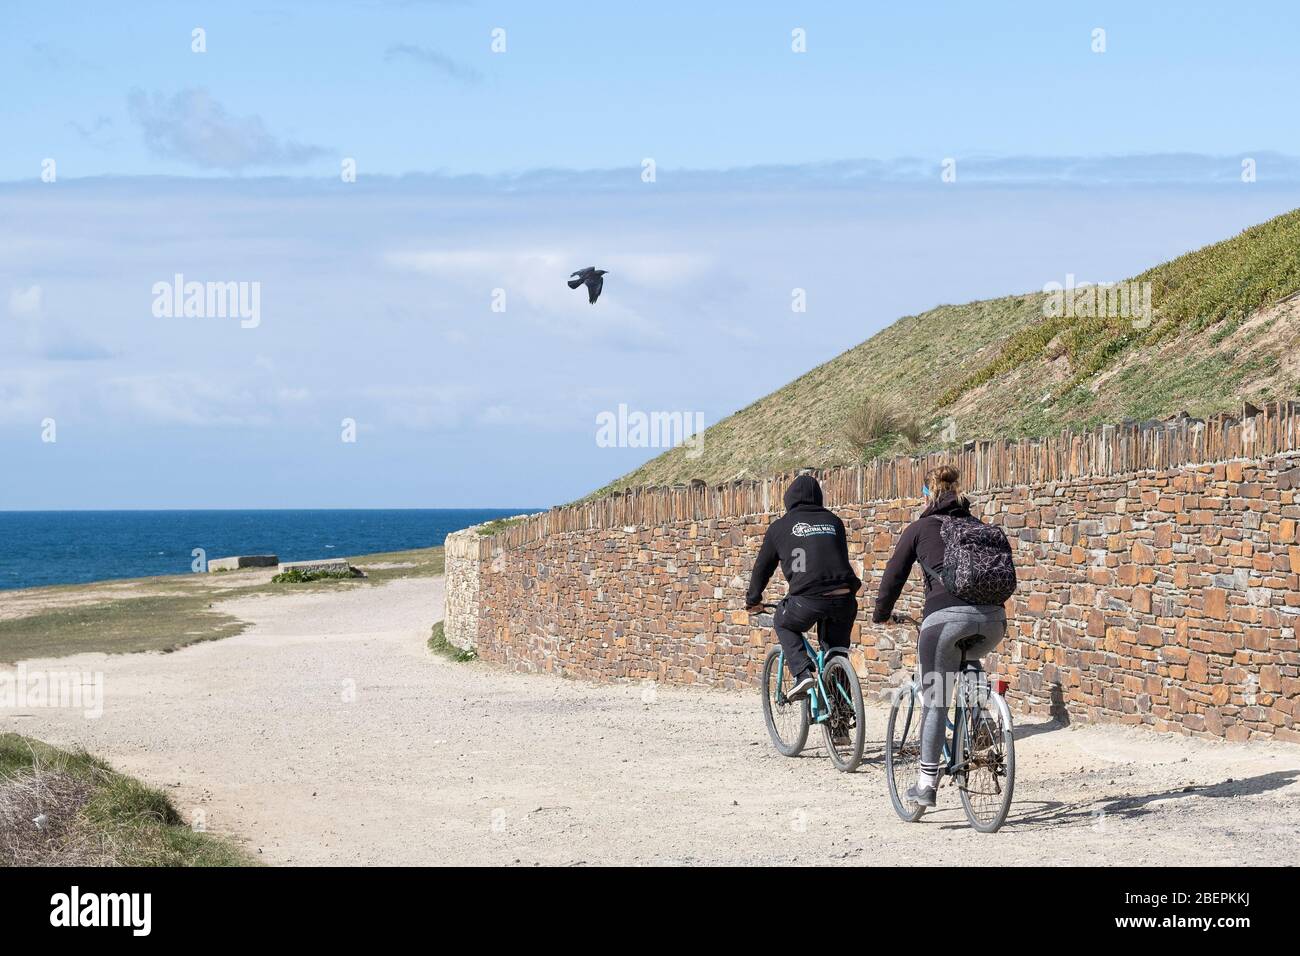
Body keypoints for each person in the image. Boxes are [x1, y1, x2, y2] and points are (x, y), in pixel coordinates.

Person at [872, 465, 1007, 807]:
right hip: (993, 622)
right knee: (969, 655)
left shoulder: (920, 528)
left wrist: (881, 616)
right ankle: (981, 715)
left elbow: (893, 577)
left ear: (927, 494)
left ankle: (925, 784)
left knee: (936, 699)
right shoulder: (977, 526)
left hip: (944, 622)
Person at [745, 474, 862, 701]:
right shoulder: (834, 522)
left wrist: (753, 599)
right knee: (835, 653)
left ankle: (801, 673)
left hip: (808, 599)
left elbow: (762, 567)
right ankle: (840, 727)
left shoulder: (779, 528)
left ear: (789, 499)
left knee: (782, 620)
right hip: (845, 599)